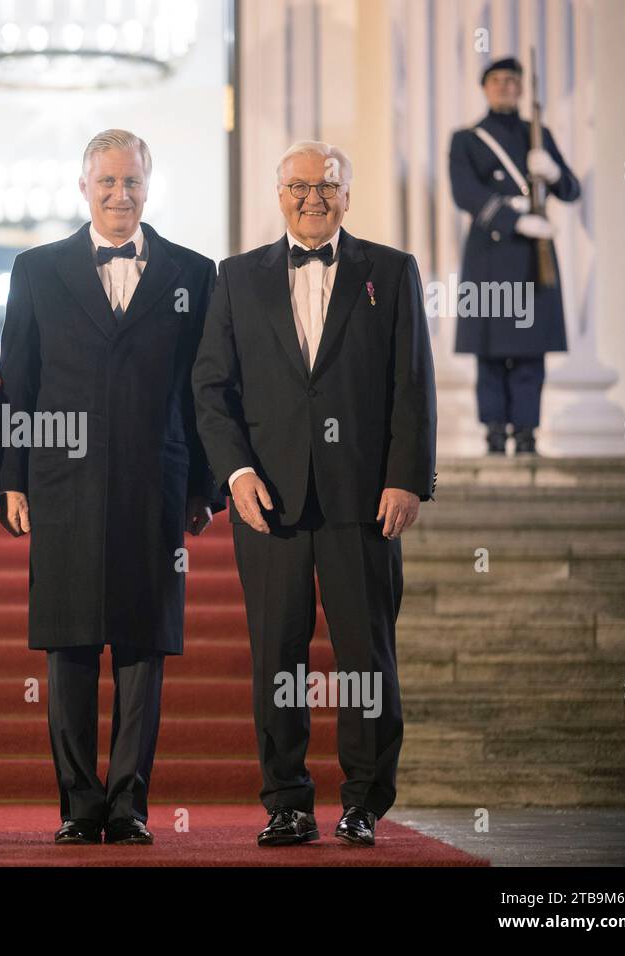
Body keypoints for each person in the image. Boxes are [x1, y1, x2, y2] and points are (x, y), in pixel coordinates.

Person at [192, 141, 436, 847]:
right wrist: (236, 476)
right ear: (278, 195)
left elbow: (410, 383)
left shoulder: (390, 272)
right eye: (298, 186)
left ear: (347, 195)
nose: (312, 198)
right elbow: (211, 389)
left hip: (364, 500)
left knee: (367, 656)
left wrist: (406, 477)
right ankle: (288, 802)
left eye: (326, 186)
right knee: (278, 658)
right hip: (270, 504)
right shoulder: (235, 278)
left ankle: (363, 800)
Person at [0, 129, 220, 846]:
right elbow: (20, 384)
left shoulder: (193, 272)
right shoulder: (36, 269)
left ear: (149, 185)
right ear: (84, 186)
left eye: (132, 182)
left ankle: (129, 803)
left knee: (141, 646)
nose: (120, 195)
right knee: (67, 646)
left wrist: (203, 485)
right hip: (61, 482)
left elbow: (201, 389)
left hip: (155, 478)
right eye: (107, 183)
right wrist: (13, 478)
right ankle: (78, 804)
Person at [449, 56, 581, 455]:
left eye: (513, 80)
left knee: (529, 351)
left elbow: (572, 191)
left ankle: (526, 435)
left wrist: (554, 172)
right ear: (485, 87)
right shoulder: (467, 138)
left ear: (522, 88)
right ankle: (493, 434)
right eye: (498, 80)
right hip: (490, 255)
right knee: (490, 352)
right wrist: (514, 220)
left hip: (531, 257)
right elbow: (465, 193)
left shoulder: (537, 134)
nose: (506, 86)